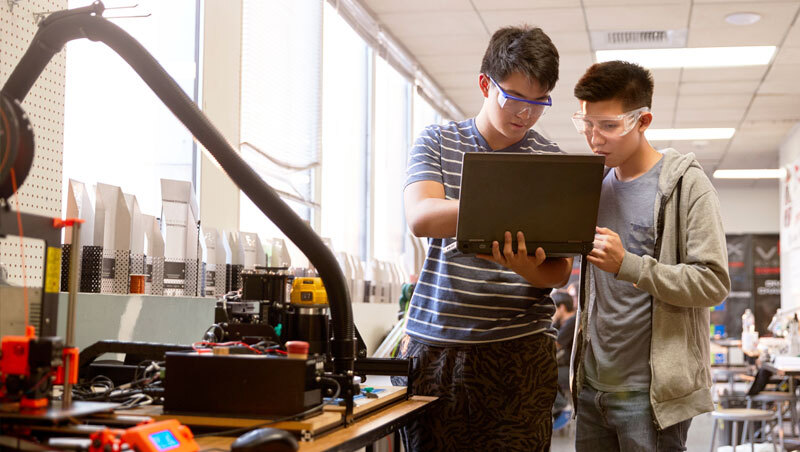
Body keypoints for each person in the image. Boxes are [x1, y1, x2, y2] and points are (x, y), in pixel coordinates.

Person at [396, 25, 572, 451]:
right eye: (514, 98)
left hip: (520, 351)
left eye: (538, 103)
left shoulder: (550, 162)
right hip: (437, 348)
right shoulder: (437, 142)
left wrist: (519, 263)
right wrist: (506, 209)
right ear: (484, 84)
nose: (525, 114)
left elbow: (559, 271)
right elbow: (421, 217)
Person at [570, 61, 731, 451]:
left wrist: (631, 265)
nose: (596, 138)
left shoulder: (687, 185)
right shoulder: (592, 187)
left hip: (651, 396)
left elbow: (713, 281)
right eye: (587, 124)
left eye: (608, 126)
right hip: (592, 389)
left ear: (643, 121)